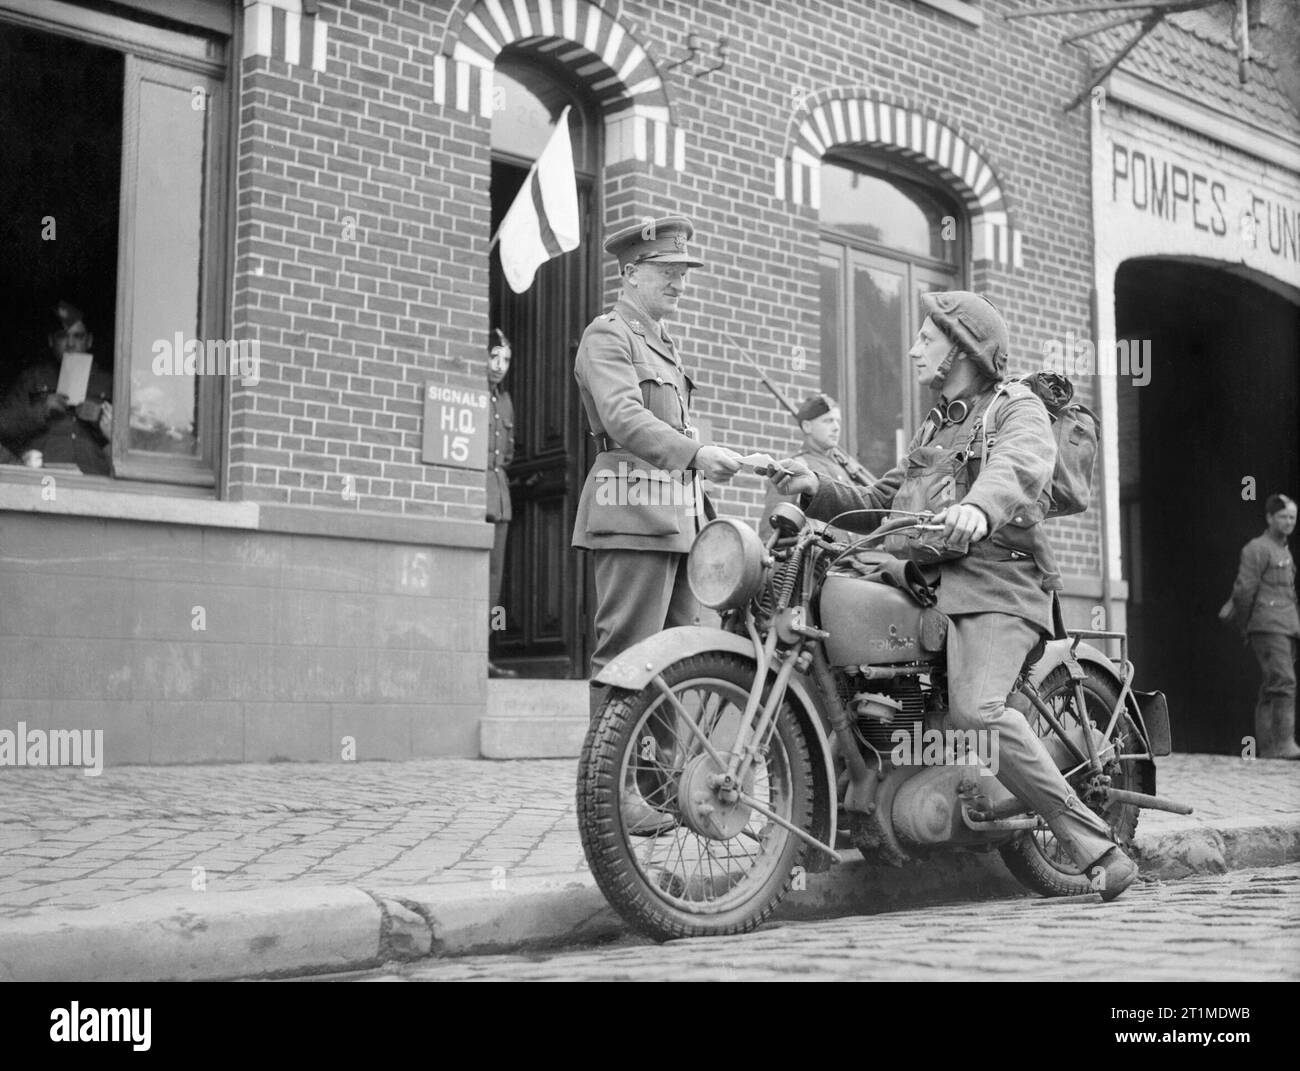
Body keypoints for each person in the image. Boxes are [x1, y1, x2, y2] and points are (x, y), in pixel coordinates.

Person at [757, 290, 1140, 901]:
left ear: (962, 348)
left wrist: (976, 510)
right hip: (926, 579)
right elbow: (883, 498)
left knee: (976, 713)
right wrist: (816, 488)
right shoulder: (942, 420)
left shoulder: (1016, 409)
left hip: (997, 584)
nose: (912, 350)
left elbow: (1019, 468)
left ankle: (1095, 847)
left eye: (926, 339)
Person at [572, 215, 742, 830]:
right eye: (667, 272)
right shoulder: (607, 336)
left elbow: (673, 430)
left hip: (675, 520)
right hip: (629, 513)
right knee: (625, 655)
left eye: (683, 272)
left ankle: (664, 787)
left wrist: (705, 468)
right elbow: (622, 418)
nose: (679, 282)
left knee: (675, 662)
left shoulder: (663, 344)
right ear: (630, 273)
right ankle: (612, 797)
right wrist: (695, 453)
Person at [1221, 494, 1300, 759]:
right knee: (1284, 681)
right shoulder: (1257, 548)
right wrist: (1247, 625)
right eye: (1283, 517)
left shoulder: (1284, 550)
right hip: (1268, 626)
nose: (1289, 522)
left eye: (1292, 517)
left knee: (1272, 685)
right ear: (1269, 518)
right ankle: (1283, 744)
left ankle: (1268, 748)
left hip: (1287, 626)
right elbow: (1243, 592)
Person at [0, 301, 112, 475]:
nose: (70, 344)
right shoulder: (34, 377)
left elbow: (134, 442)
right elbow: (5, 424)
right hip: (43, 476)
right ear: (51, 340)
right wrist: (42, 409)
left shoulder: (107, 382)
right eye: (63, 336)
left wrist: (104, 423)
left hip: (92, 477)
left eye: (78, 336)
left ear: (89, 340)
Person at [761, 393, 864, 538]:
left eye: (838, 421)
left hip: (855, 556)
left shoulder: (845, 470)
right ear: (807, 426)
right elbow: (771, 531)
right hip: (818, 557)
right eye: (828, 421)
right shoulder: (795, 468)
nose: (836, 427)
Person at [485, 328, 519, 680]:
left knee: (495, 582)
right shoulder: (478, 397)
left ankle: (488, 651)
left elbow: (507, 452)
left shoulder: (505, 401)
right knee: (478, 578)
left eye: (505, 360)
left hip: (500, 496)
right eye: (493, 356)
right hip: (478, 494)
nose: (499, 366)